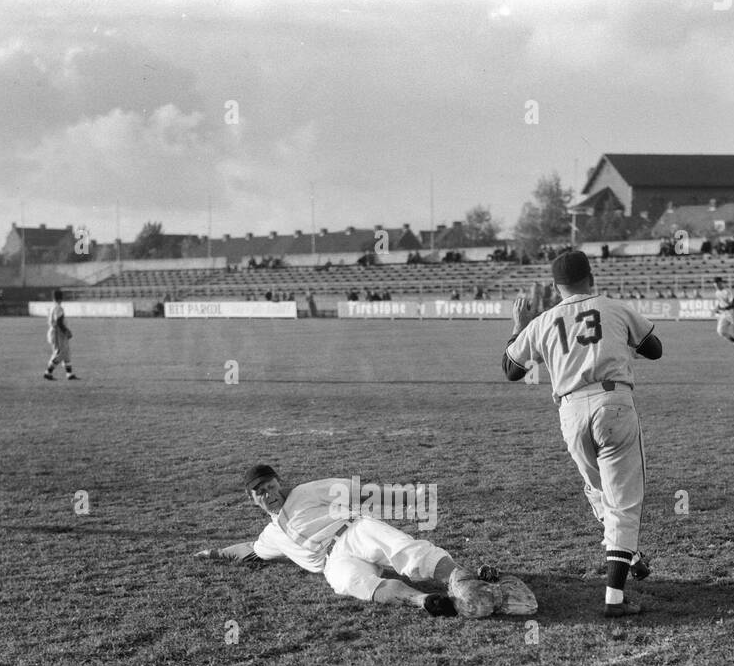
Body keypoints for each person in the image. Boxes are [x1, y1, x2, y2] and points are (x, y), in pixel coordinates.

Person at [500, 251, 659, 618]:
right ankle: (614, 599)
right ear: (591, 276)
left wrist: (518, 326)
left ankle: (629, 554)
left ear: (556, 286)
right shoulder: (613, 306)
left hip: (570, 411)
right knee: (622, 504)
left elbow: (510, 370)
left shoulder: (542, 321)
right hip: (612, 402)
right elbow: (655, 349)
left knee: (598, 491)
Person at [193, 464, 536, 619]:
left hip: (352, 531)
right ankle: (428, 602)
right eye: (258, 492)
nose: (266, 494)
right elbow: (250, 552)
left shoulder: (305, 492)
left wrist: (408, 497)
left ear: (278, 483)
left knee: (404, 551)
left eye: (268, 486)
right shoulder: (271, 536)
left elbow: (360, 491)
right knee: (352, 584)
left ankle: (460, 577)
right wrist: (215, 552)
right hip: (333, 562)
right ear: (252, 500)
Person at [43, 289, 76, 380]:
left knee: (66, 352)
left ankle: (69, 373)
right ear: (61, 298)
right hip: (58, 333)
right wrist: (66, 331)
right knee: (60, 353)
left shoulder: (52, 307)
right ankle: (48, 372)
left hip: (56, 332)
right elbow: (59, 322)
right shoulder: (58, 308)